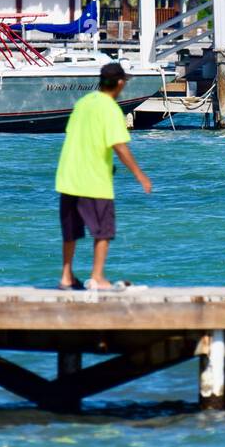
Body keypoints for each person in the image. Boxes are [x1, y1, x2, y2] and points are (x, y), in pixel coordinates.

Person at [54, 62, 152, 291]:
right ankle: (97, 277)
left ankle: (66, 277)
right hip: (94, 181)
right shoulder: (110, 108)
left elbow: (76, 134)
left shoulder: (83, 103)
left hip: (68, 176)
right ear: (119, 83)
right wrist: (141, 176)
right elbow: (119, 145)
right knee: (103, 231)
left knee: (71, 231)